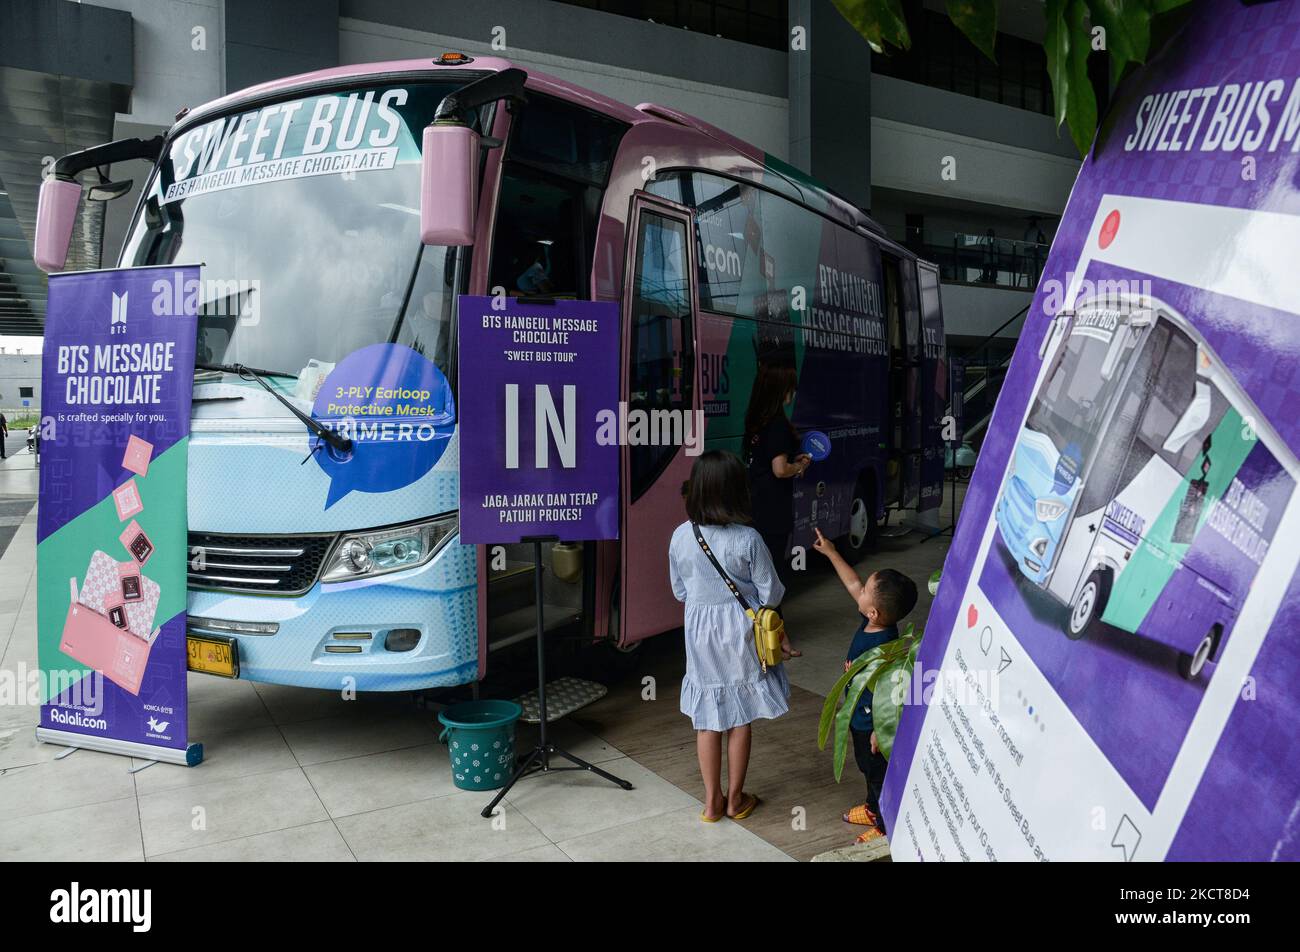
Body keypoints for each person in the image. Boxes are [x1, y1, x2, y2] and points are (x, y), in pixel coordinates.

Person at [669, 450, 793, 823]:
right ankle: (737, 800)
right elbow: (770, 592)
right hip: (739, 629)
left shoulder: (680, 535)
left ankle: (711, 803)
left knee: (708, 717)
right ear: (738, 491)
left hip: (699, 630)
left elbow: (679, 591)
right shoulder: (748, 539)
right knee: (740, 718)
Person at [812, 527, 918, 843]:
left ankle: (885, 825)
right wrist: (831, 551)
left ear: (873, 611)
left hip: (873, 725)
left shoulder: (887, 646)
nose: (859, 590)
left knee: (877, 773)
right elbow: (853, 582)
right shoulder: (873, 619)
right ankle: (873, 809)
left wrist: (879, 731)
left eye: (865, 592)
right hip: (858, 716)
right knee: (865, 768)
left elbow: (891, 694)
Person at [742, 361, 811, 573]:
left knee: (757, 568)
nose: (793, 390)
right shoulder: (778, 424)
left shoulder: (756, 420)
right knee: (772, 571)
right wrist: (799, 466)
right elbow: (780, 470)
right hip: (773, 509)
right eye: (791, 386)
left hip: (755, 505)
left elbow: (766, 458)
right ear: (781, 389)